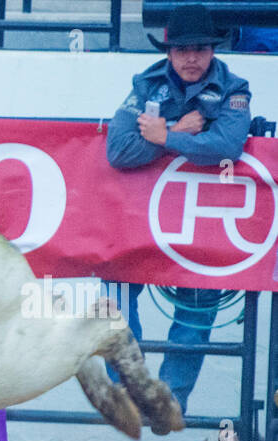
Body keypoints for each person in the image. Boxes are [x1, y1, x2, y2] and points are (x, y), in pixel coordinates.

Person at [105, 3, 251, 414]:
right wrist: (181, 130)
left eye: (201, 49)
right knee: (114, 292)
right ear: (169, 51)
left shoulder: (235, 88)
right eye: (183, 49)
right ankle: (127, 391)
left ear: (213, 50)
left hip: (201, 222)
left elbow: (226, 147)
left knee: (198, 306)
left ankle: (169, 402)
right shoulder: (147, 84)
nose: (192, 58)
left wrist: (163, 135)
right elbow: (118, 151)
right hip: (138, 218)